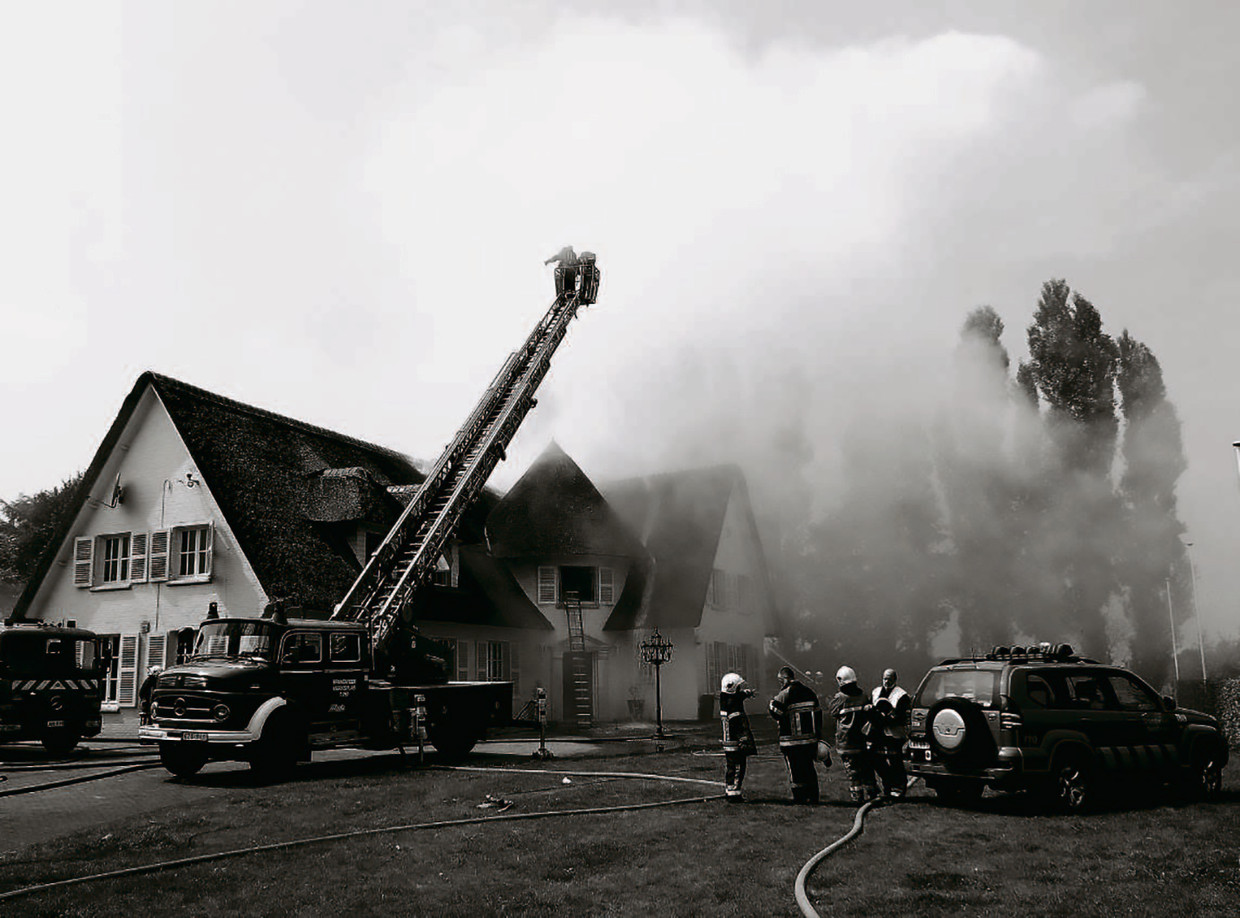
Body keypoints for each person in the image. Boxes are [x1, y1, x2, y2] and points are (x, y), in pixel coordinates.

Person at [769, 666, 823, 804]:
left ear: (784, 679)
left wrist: (771, 703)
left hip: (791, 742)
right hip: (809, 740)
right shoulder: (810, 692)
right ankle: (813, 796)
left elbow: (776, 713)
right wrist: (818, 736)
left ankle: (800, 797)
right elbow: (818, 715)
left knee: (795, 771)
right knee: (809, 768)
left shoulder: (785, 694)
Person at [829, 665, 879, 804]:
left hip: (846, 742)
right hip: (862, 741)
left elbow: (832, 711)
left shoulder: (840, 698)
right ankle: (873, 793)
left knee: (853, 772)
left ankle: (858, 797)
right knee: (867, 769)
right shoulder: (863, 697)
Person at [869, 668, 911, 799]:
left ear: (895, 679)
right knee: (875, 759)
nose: (886, 681)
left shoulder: (902, 695)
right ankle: (888, 784)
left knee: (896, 761)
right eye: (884, 678)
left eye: (889, 679)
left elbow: (901, 717)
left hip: (894, 734)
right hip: (878, 733)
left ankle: (899, 787)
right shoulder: (875, 692)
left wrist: (886, 718)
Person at [718, 672, 757, 800]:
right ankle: (734, 794)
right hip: (735, 741)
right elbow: (740, 724)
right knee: (738, 768)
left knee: (731, 767)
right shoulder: (734, 707)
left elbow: (736, 696)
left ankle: (729, 790)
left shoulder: (724, 699)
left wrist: (746, 693)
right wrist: (744, 739)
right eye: (738, 687)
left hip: (728, 740)